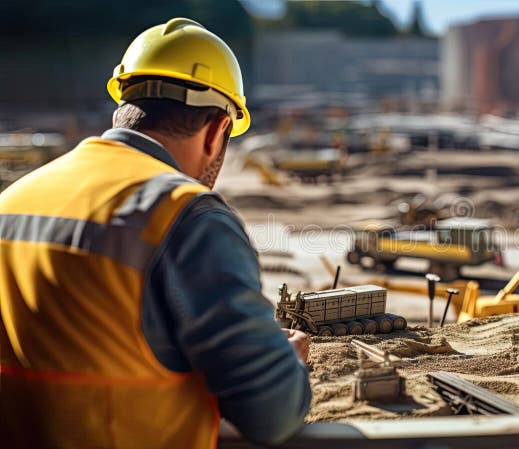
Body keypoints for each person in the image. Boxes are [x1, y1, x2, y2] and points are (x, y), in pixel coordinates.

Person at [0, 18, 310, 448]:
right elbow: (273, 415)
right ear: (218, 130)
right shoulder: (188, 216)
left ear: (123, 106)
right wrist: (285, 365)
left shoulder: (13, 201)